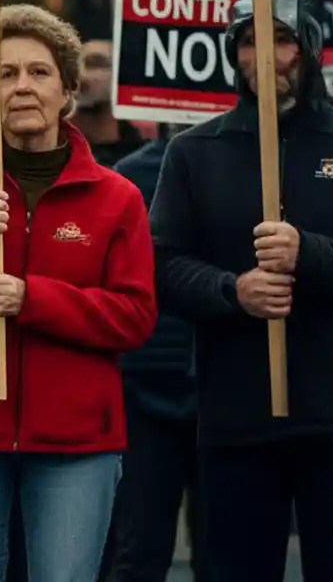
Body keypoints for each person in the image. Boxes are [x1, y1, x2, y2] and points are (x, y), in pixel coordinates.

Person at [150, 0, 333, 582]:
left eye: (281, 39)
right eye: (250, 41)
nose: (266, 56)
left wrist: (313, 254)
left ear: (311, 49)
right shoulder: (194, 153)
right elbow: (161, 267)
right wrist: (233, 291)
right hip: (236, 427)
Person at [0, 3, 157, 582]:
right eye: (4, 73)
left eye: (38, 72)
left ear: (67, 89)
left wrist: (33, 299)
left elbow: (135, 317)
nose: (22, 87)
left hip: (76, 443)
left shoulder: (117, 198)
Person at [106, 123, 211, 582]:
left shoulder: (253, 169)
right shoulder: (127, 178)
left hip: (221, 385)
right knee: (140, 549)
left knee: (224, 551)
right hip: (143, 387)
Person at [70, 39, 145, 167]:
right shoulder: (48, 147)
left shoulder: (141, 159)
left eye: (94, 64)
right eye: (73, 66)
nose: (80, 75)